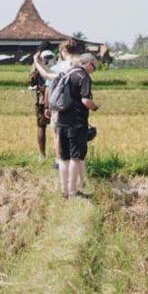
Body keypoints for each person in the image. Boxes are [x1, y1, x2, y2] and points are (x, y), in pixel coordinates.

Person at [34, 39, 83, 193]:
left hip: (60, 111)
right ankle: (79, 182)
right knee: (77, 151)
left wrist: (47, 106)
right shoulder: (81, 65)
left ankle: (65, 185)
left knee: (58, 139)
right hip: (78, 111)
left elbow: (48, 81)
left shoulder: (59, 67)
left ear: (64, 51)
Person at [57, 53, 100, 199]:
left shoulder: (67, 73)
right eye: (94, 67)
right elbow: (86, 101)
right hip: (76, 123)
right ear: (89, 63)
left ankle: (64, 191)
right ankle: (73, 192)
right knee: (76, 157)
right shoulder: (83, 77)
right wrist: (95, 107)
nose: (93, 70)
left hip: (61, 121)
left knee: (64, 158)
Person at [30, 50, 55, 160]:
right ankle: (59, 154)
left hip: (42, 100)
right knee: (58, 128)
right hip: (57, 99)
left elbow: (31, 83)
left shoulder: (37, 68)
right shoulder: (56, 66)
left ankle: (42, 155)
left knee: (41, 126)